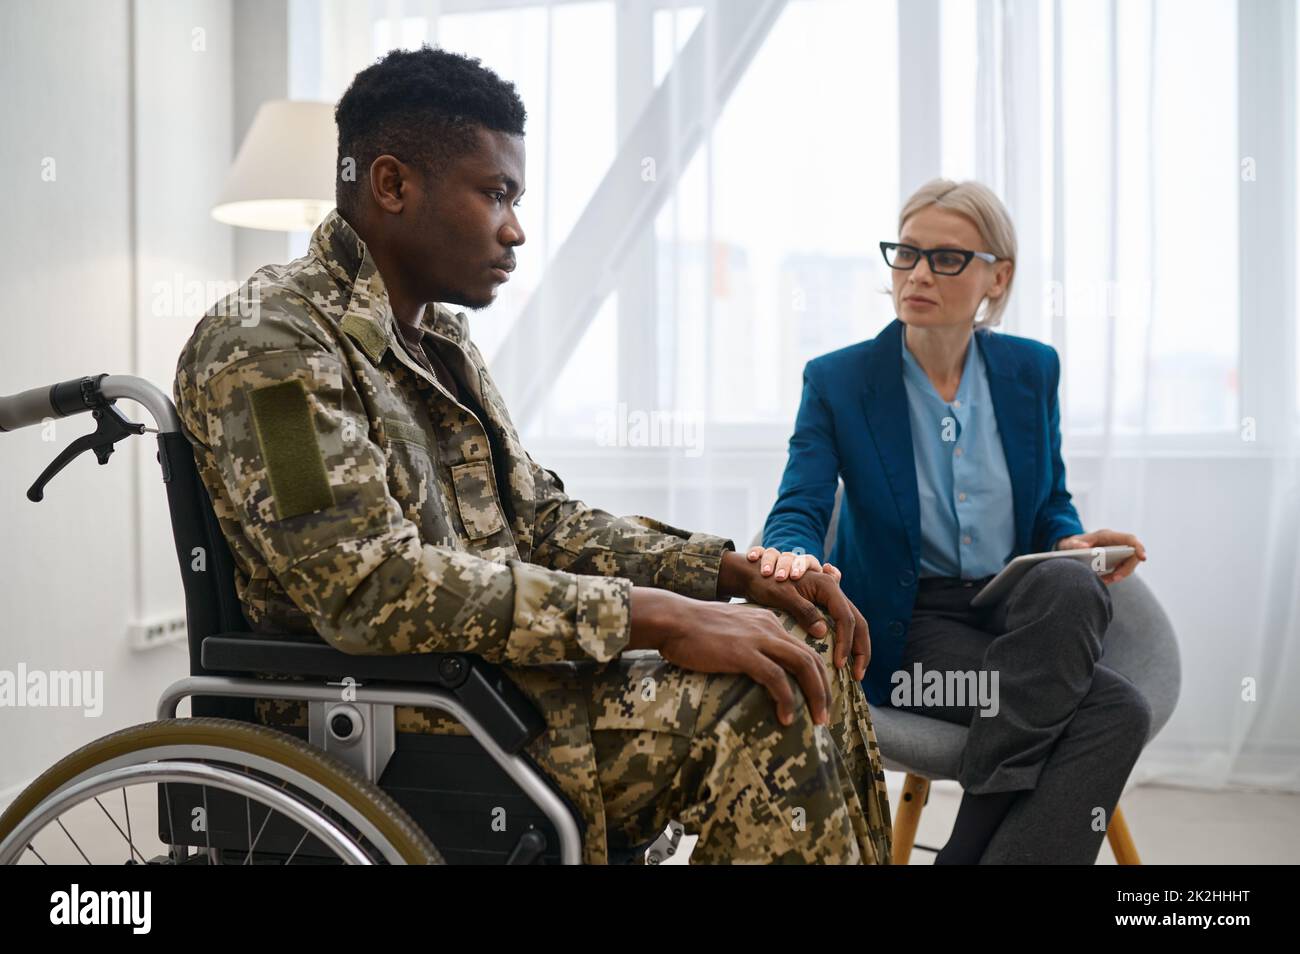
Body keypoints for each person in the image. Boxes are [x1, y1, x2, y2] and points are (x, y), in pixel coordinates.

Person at [174, 46, 891, 864]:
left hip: (487, 683)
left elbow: (539, 521)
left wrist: (724, 574)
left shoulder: (438, 340)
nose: (515, 228)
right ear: (392, 185)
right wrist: (648, 615)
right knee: (762, 699)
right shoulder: (266, 345)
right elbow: (367, 588)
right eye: (495, 194)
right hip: (392, 715)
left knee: (805, 641)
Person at [753, 178, 1150, 864]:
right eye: (906, 254)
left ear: (999, 276)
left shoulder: (1031, 370)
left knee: (1073, 585)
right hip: (912, 631)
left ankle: (964, 851)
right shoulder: (840, 380)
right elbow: (801, 505)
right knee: (1115, 711)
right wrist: (794, 554)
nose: (917, 274)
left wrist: (1071, 542)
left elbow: (1050, 498)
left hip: (1013, 602)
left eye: (946, 259)